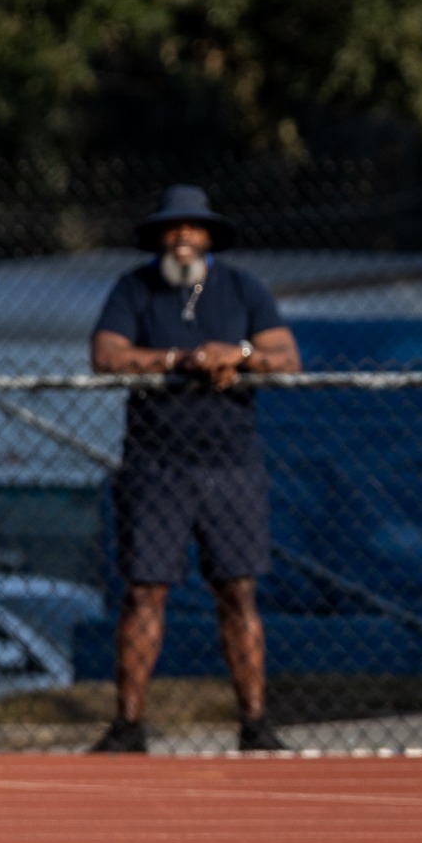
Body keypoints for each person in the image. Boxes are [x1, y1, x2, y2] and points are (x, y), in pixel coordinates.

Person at [88, 185, 302, 754]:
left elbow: (287, 359)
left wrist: (242, 355)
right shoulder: (135, 289)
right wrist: (177, 360)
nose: (183, 238)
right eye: (173, 228)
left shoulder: (243, 288)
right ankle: (128, 724)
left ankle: (255, 724)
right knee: (144, 591)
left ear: (209, 237)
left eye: (193, 229)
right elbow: (106, 355)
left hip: (230, 462)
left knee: (238, 590)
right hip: (155, 463)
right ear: (160, 236)